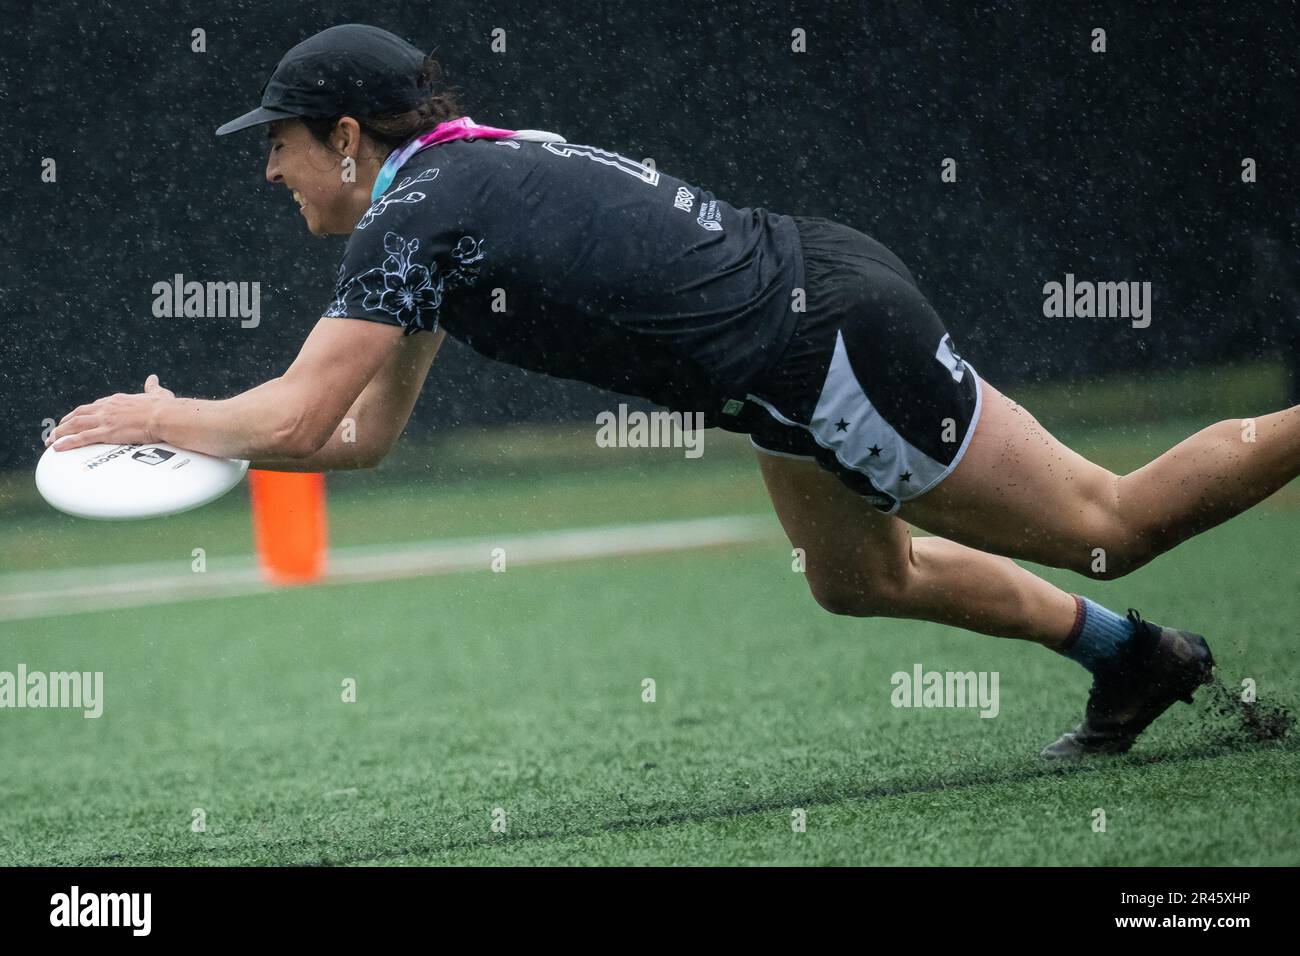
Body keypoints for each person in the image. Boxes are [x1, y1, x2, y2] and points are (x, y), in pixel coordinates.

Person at [47, 24, 1300, 758]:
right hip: (788, 337)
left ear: (346, 139)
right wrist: (207, 443)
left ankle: (1131, 612)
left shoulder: (416, 212)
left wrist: (161, 419)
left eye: (276, 142)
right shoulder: (442, 185)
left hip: (820, 346)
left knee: (1109, 521)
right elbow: (360, 434)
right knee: (855, 575)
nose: (270, 171)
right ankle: (1133, 662)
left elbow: (298, 414)